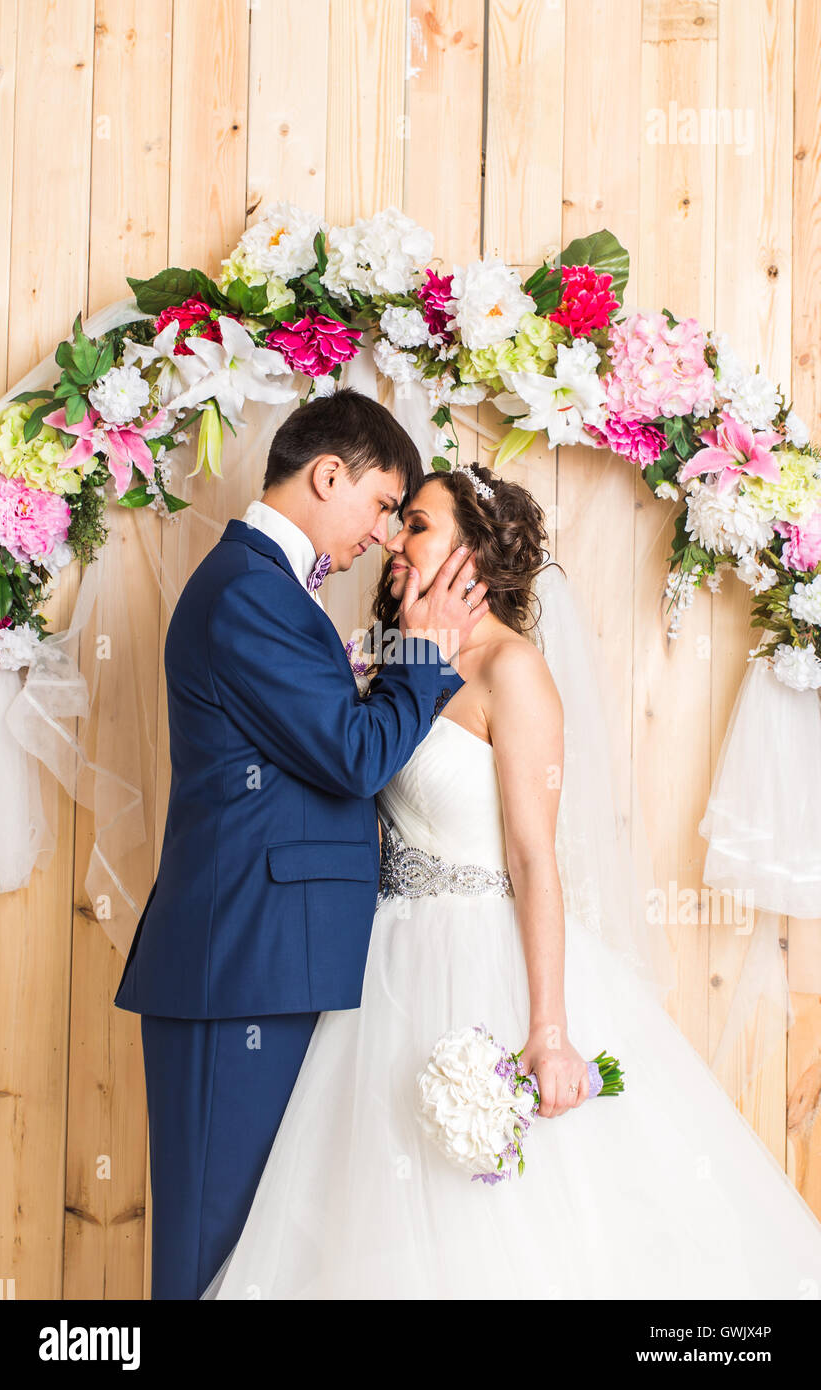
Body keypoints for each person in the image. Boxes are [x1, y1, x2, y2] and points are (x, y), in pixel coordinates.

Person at [201, 459, 821, 1301]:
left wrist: (550, 1030)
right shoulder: (392, 662)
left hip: (481, 961)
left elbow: (535, 859)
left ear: (475, 553)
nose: (393, 537)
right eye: (396, 519)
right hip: (379, 966)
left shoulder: (512, 671)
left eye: (416, 523)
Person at [113, 387, 489, 1299]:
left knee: (266, 1257)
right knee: (210, 1256)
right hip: (237, 965)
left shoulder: (269, 589)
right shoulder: (249, 591)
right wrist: (427, 655)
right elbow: (352, 756)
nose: (386, 534)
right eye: (382, 505)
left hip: (280, 963)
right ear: (329, 474)